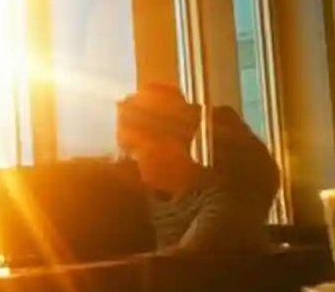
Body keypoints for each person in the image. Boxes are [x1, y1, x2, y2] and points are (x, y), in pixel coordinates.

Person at [116, 84, 272, 253]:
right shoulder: (142, 201)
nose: (128, 159)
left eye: (133, 147)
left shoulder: (224, 198)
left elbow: (181, 266)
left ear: (170, 143)